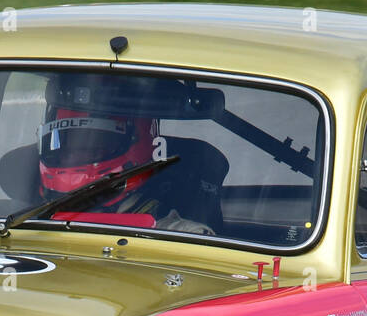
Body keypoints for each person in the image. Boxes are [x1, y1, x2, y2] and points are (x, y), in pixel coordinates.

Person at [35, 73, 227, 235]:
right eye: (64, 146)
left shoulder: (183, 237)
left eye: (90, 147)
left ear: (138, 143)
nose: (72, 157)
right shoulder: (20, 224)